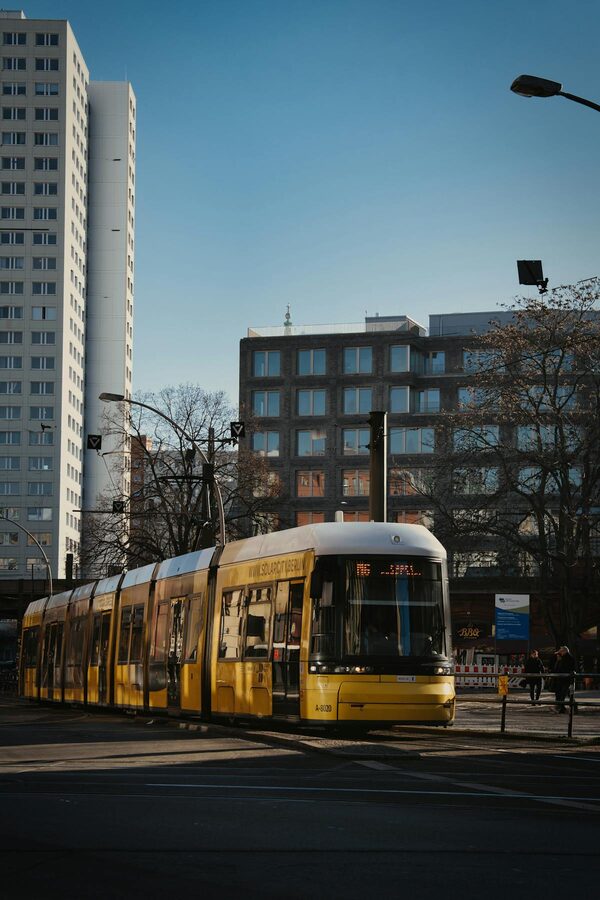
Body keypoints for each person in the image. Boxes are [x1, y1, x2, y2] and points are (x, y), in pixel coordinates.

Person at [551, 645, 576, 714]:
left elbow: (564, 668)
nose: (559, 652)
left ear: (564, 651)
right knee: (562, 694)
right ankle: (562, 708)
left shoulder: (568, 658)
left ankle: (559, 707)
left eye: (561, 651)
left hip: (565, 680)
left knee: (563, 694)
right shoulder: (563, 658)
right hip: (562, 679)